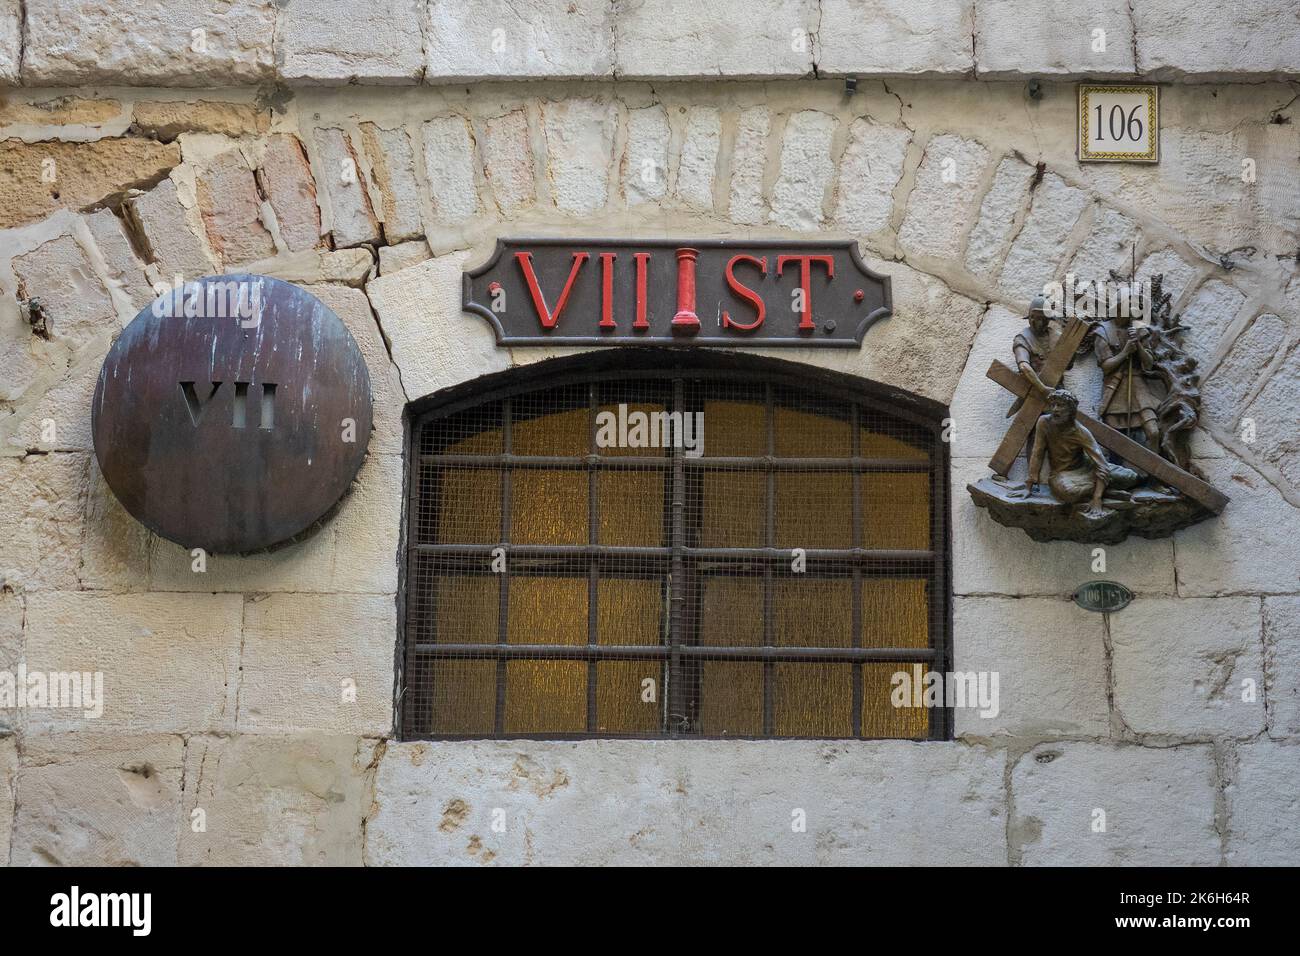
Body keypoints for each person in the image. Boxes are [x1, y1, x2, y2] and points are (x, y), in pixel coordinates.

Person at [1026, 389, 1139, 520]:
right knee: (1068, 492)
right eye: (1052, 405)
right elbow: (1037, 453)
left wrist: (1097, 499)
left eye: (1060, 405)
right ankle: (1106, 490)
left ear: (1071, 409)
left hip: (1087, 468)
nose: (1055, 409)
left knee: (1131, 476)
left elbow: (1101, 464)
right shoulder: (1044, 423)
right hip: (1062, 474)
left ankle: (1101, 490)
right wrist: (1029, 485)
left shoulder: (1080, 432)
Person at [1094, 309, 1162, 450]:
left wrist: (1138, 346)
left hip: (1138, 387)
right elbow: (1106, 367)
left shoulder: (1138, 328)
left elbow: (1149, 364)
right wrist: (1125, 352)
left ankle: (1151, 471)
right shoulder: (1103, 331)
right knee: (1113, 441)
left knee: (1153, 432)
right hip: (1115, 388)